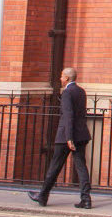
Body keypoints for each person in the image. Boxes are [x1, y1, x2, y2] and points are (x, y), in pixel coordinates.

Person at [28, 66, 92, 207]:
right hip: (81, 134)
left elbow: (69, 115)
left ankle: (42, 196)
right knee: (81, 167)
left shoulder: (68, 93)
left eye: (62, 76)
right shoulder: (81, 91)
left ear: (67, 78)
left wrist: (69, 138)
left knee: (54, 167)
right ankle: (86, 199)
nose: (60, 78)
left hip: (66, 136)